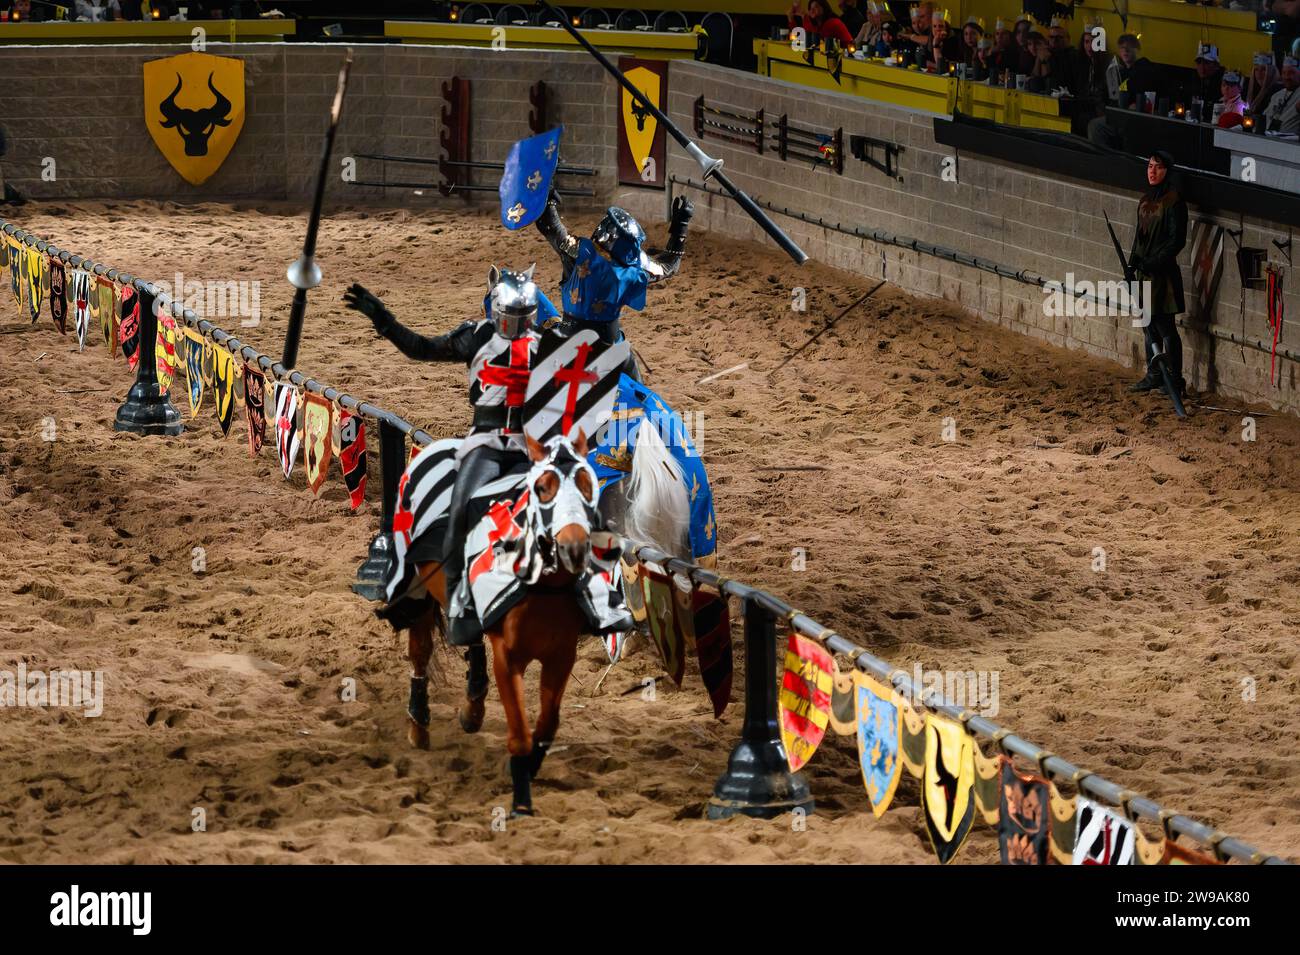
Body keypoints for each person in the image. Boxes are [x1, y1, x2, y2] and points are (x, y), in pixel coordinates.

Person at [344, 269, 634, 652]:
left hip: (533, 447)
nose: (520, 324)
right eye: (513, 317)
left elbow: (586, 381)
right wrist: (384, 320)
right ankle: (461, 600)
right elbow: (421, 348)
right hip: (484, 444)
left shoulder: (549, 344)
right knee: (462, 506)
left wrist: (622, 362)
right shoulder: (475, 336)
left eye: (526, 316)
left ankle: (596, 596)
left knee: (579, 507)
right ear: (496, 311)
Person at [533, 193, 693, 382]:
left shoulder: (577, 255)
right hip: (612, 348)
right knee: (639, 393)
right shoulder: (632, 273)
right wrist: (680, 226)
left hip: (569, 340)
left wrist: (546, 198)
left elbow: (549, 226)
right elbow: (670, 266)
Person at [1126, 151, 1189, 400]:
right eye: (1150, 166)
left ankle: (1175, 378)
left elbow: (1176, 241)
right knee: (1147, 326)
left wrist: (1153, 262)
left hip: (1162, 275)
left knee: (1165, 327)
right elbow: (1138, 239)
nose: (1152, 171)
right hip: (1144, 273)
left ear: (1167, 171)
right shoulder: (1144, 201)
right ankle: (1154, 373)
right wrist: (1131, 266)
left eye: (1158, 167)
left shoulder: (1174, 202)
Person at [1105, 33, 1162, 107]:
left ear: (1137, 49)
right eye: (1122, 47)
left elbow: (1148, 98)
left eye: (1129, 46)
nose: (1125, 50)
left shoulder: (1145, 69)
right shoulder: (1122, 72)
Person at [788, 0, 855, 46]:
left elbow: (813, 42)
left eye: (816, 7)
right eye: (810, 8)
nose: (812, 10)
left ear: (824, 8)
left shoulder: (832, 22)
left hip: (848, 56)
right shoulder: (818, 24)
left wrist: (805, 18)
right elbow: (802, 38)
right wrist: (791, 19)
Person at [1189, 43, 1226, 121]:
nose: (1202, 67)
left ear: (1216, 66)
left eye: (1206, 63)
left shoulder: (1224, 86)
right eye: (1199, 62)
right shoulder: (1193, 81)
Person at [1264, 55, 1300, 133]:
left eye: (1291, 73)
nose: (1287, 77)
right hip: (1267, 139)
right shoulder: (1276, 95)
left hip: (1289, 143)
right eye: (1284, 73)